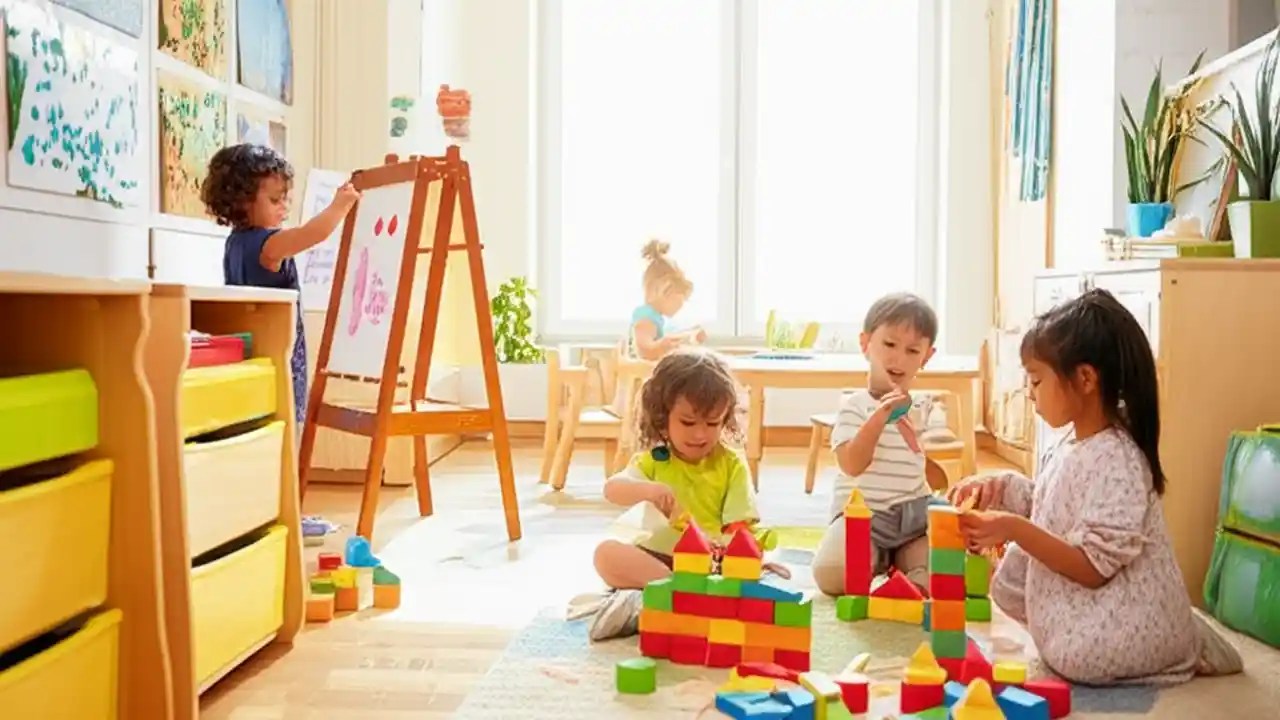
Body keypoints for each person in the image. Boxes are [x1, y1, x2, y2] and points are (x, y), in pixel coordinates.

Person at [949, 289, 1242, 685]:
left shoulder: (1119, 459)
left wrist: (1013, 528)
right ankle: (1174, 630)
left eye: (1035, 380)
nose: (1028, 391)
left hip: (1120, 608)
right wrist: (1001, 487)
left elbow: (1092, 569)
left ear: (1085, 378)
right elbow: (1052, 507)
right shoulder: (1073, 442)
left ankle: (1178, 638)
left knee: (1078, 655)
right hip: (1094, 601)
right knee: (1033, 596)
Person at [584, 349, 782, 640]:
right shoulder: (654, 460)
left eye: (713, 423)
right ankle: (680, 593)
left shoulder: (730, 463)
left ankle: (673, 601)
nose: (700, 434)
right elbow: (612, 489)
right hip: (659, 562)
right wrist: (648, 490)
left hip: (711, 565)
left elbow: (740, 527)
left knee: (752, 572)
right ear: (662, 418)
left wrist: (740, 556)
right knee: (606, 554)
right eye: (688, 422)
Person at [201, 144, 359, 434]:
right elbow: (312, 234)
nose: (284, 207)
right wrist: (340, 206)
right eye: (275, 200)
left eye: (286, 199)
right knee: (285, 430)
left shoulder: (234, 243)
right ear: (241, 202)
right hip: (279, 356)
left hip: (254, 355)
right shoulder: (267, 244)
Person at [811, 293, 940, 597]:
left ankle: (907, 575)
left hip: (913, 518)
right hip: (861, 518)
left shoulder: (922, 408)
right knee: (831, 574)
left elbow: (929, 467)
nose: (899, 359)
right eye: (890, 345)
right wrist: (880, 416)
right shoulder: (854, 406)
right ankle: (875, 562)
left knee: (949, 569)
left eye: (912, 350)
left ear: (926, 357)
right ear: (865, 344)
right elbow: (852, 464)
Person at [630, 239, 705, 360]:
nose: (681, 304)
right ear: (664, 290)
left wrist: (690, 336)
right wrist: (661, 346)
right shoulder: (646, 316)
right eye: (680, 297)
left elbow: (665, 340)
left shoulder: (655, 316)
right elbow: (644, 348)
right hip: (641, 372)